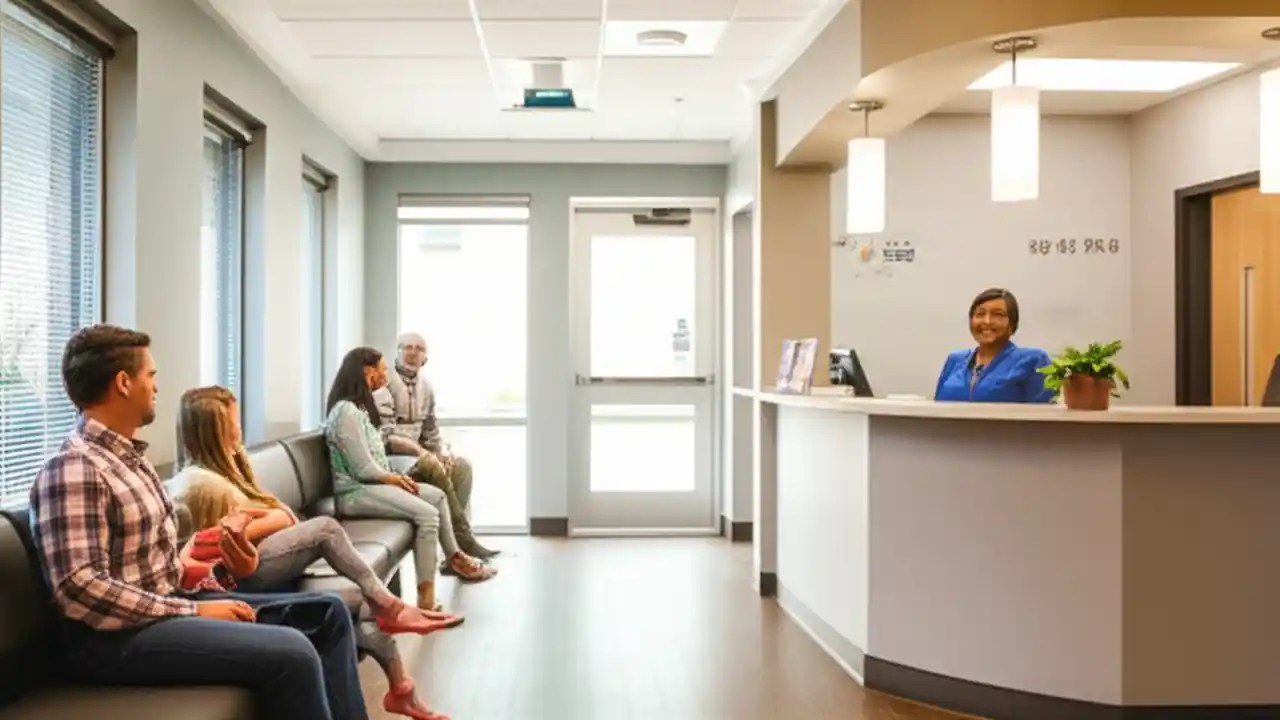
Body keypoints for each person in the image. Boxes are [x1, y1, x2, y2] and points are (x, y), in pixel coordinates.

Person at [27, 324, 367, 720]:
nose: (156, 386)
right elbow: (81, 588)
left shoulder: (131, 462)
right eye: (150, 375)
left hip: (165, 609)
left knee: (327, 613)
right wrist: (194, 612)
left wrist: (223, 575)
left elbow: (164, 568)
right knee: (292, 653)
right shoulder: (74, 467)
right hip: (113, 640)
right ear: (123, 382)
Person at [169, 386, 458, 720]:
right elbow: (220, 548)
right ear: (213, 429)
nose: (239, 428)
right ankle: (390, 606)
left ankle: (401, 689)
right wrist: (272, 520)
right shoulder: (200, 485)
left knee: (357, 608)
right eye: (232, 421)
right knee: (326, 529)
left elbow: (279, 516)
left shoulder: (230, 468)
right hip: (244, 580)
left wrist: (274, 518)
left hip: (263, 562)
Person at [325, 347, 495, 613]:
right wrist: (394, 478)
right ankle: (427, 600)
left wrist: (397, 476)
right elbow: (362, 468)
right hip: (355, 493)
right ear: (367, 372)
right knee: (427, 514)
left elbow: (378, 455)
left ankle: (454, 556)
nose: (385, 374)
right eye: (381, 369)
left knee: (436, 497)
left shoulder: (358, 409)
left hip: (374, 485)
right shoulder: (345, 412)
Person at [374, 332, 497, 560]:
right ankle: (463, 541)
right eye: (407, 347)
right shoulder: (384, 385)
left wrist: (442, 454)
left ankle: (453, 550)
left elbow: (431, 431)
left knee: (461, 466)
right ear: (397, 353)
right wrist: (424, 453)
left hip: (418, 457)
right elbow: (387, 436)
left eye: (419, 349)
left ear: (425, 358)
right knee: (431, 463)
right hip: (391, 460)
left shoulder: (427, 388)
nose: (412, 352)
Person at [934, 288, 1055, 403]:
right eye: (980, 314)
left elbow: (1044, 418)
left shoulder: (1033, 361)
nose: (987, 321)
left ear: (1012, 323)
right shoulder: (955, 360)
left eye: (997, 315)